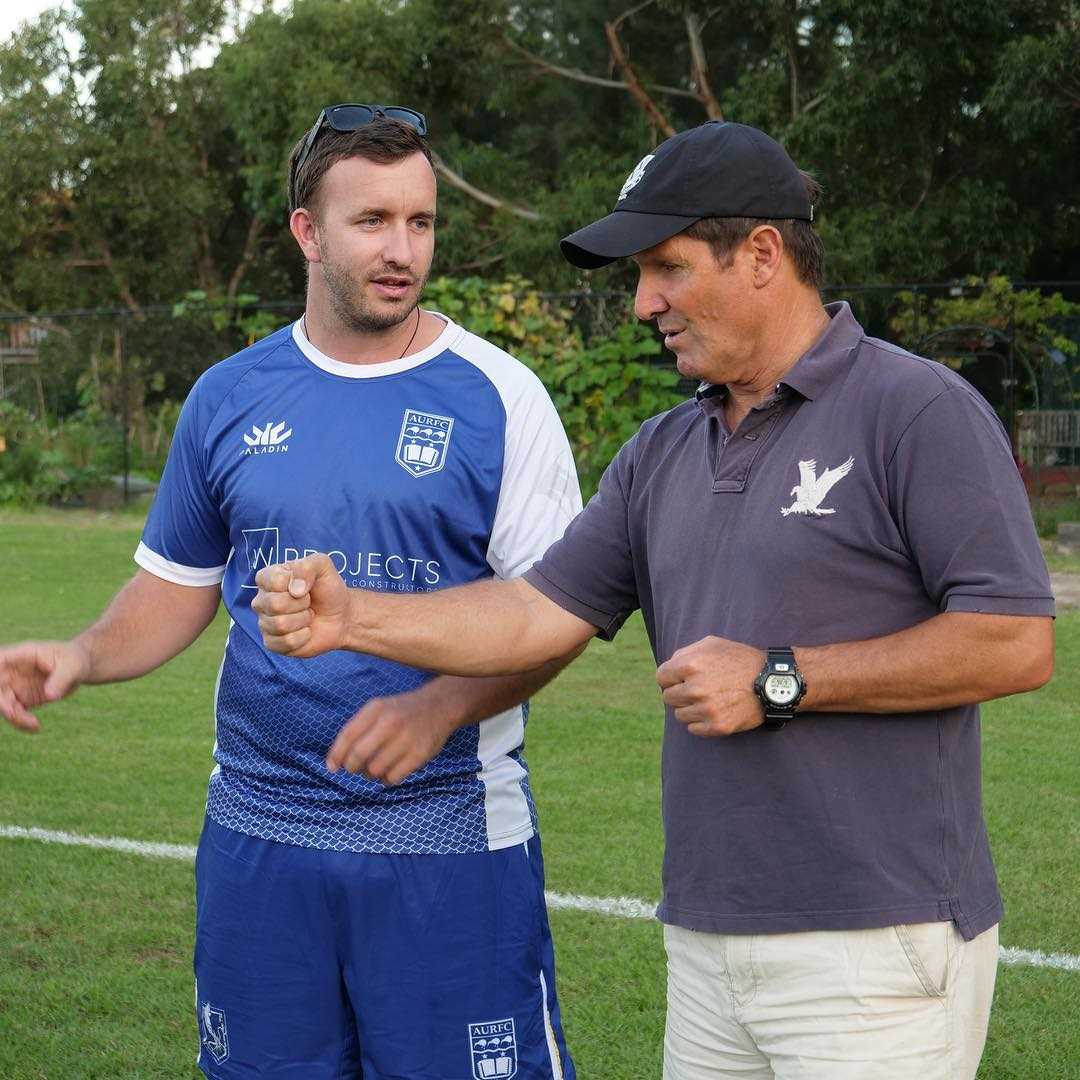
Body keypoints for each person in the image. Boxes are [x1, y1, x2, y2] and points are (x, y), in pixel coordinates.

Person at [252, 121, 1056, 1080]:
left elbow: (1014, 640)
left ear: (762, 254)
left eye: (666, 268)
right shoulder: (662, 451)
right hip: (706, 942)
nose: (643, 303)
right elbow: (532, 612)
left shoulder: (915, 409)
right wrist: (356, 618)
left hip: (879, 946)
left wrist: (781, 681)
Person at [0, 105, 582, 1080]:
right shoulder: (229, 395)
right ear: (307, 232)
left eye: (422, 222)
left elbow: (561, 615)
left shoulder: (499, 395)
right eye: (373, 222)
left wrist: (439, 707)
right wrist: (83, 656)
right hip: (258, 838)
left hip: (445, 837)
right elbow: (177, 585)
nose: (403, 250)